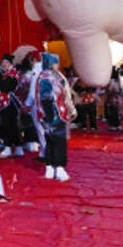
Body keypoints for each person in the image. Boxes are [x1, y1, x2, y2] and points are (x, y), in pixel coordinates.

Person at [35, 52, 74, 181]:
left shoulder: (57, 77)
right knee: (58, 141)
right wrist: (50, 117)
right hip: (52, 114)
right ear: (51, 64)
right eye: (56, 63)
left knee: (52, 140)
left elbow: (66, 95)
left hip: (58, 113)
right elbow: (46, 99)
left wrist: (71, 109)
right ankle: (59, 168)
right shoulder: (45, 78)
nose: (58, 65)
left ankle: (51, 167)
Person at [0, 54, 23, 158]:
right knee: (7, 125)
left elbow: (6, 87)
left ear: (10, 64)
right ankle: (14, 147)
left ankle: (11, 146)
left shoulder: (13, 74)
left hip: (11, 102)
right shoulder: (4, 74)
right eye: (3, 63)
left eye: (6, 63)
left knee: (10, 125)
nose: (4, 65)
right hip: (3, 103)